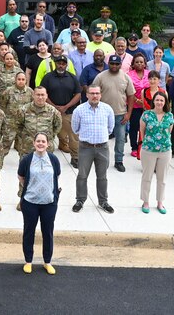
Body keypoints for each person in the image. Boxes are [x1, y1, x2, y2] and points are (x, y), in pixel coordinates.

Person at [18, 132, 61, 275]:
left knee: (47, 232)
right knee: (29, 231)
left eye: (43, 141)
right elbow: (21, 176)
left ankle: (47, 262)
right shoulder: (27, 160)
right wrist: (33, 188)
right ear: (34, 143)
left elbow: (57, 175)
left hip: (49, 203)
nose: (40, 144)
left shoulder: (53, 159)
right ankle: (28, 261)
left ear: (48, 144)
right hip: (30, 202)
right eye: (38, 141)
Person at [71, 85, 114, 214]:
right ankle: (80, 200)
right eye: (92, 93)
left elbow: (110, 128)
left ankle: (103, 201)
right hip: (85, 148)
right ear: (87, 95)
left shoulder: (107, 109)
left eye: (97, 93)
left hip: (102, 148)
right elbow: (75, 128)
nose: (95, 96)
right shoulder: (79, 110)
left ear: (101, 94)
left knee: (102, 176)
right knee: (82, 175)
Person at [92, 55, 135, 172]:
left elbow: (131, 95)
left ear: (120, 64)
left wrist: (129, 113)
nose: (114, 66)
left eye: (117, 64)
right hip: (103, 114)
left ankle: (119, 161)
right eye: (112, 63)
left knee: (120, 139)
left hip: (120, 114)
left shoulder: (126, 77)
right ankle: (100, 160)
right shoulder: (100, 77)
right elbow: (93, 93)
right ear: (108, 63)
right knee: (101, 138)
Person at [40, 57, 80, 166]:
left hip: (68, 111)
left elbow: (78, 94)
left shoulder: (72, 77)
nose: (61, 65)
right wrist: (54, 107)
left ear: (66, 65)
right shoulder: (48, 77)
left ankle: (75, 157)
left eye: (63, 64)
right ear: (55, 64)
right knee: (46, 135)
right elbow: (43, 93)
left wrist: (66, 106)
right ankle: (44, 157)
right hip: (50, 112)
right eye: (59, 63)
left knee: (73, 136)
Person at [139, 92, 174, 214]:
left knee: (162, 178)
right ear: (153, 101)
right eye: (157, 100)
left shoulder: (169, 116)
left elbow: (169, 132)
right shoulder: (146, 115)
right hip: (148, 150)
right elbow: (142, 131)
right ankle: (145, 201)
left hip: (165, 151)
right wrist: (146, 143)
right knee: (147, 177)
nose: (159, 102)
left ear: (165, 102)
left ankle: (160, 202)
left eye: (162, 100)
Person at [127, 54, 150, 159]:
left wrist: (145, 102)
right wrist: (136, 100)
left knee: (147, 127)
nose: (139, 64)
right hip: (134, 105)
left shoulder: (149, 74)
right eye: (137, 62)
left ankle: (144, 146)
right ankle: (134, 148)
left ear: (145, 64)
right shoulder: (129, 75)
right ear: (133, 64)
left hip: (148, 105)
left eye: (141, 62)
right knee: (134, 127)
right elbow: (127, 90)